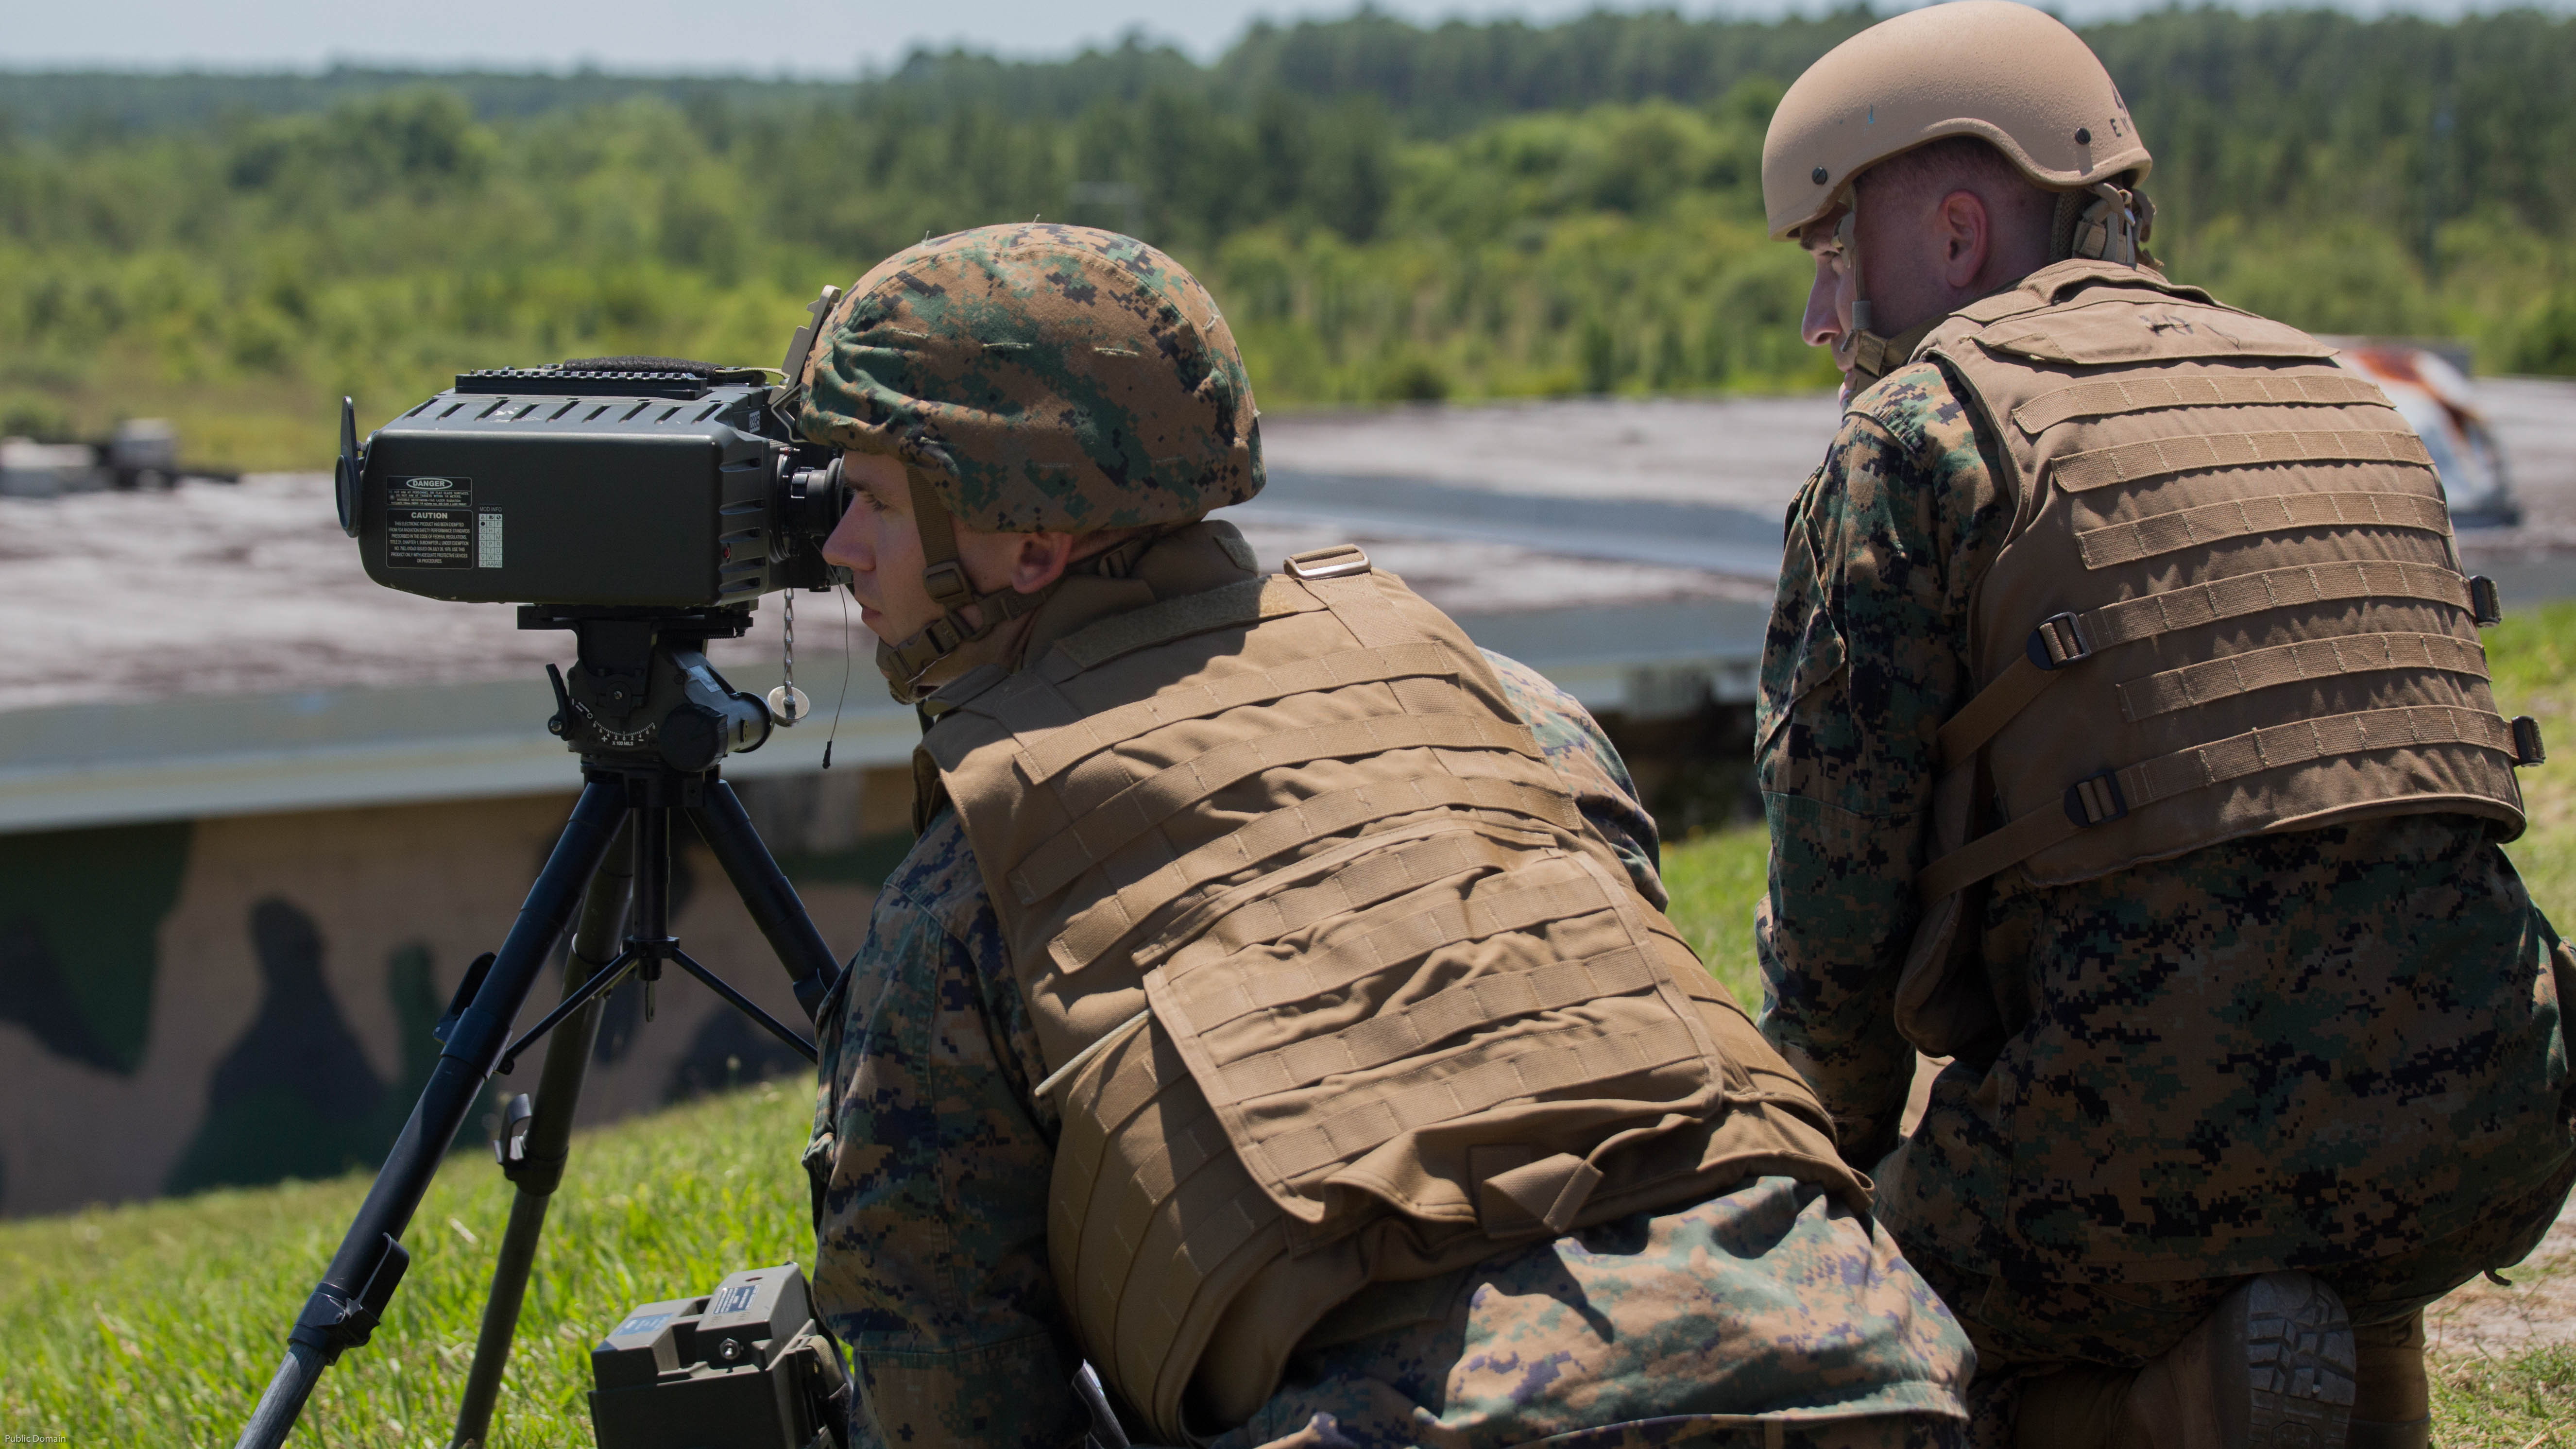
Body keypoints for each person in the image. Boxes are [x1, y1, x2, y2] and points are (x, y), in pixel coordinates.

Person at [793, 222, 1972, 1449]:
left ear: (1030, 545)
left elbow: (949, 1393)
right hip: (1869, 1372)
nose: (837, 547)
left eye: (872, 499)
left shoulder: (974, 881)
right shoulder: (1506, 704)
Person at [1750, 5, 2576, 1449]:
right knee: (2314, 1106)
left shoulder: (1915, 440)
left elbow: (1835, 938)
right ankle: (2353, 1381)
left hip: (2139, 1159)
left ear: (1956, 234)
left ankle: (2169, 1411)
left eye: (1832, 258)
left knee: (1854, 1318)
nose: (1823, 319)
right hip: (2499, 1128)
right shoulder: (2342, 399)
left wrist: (1836, 1190)